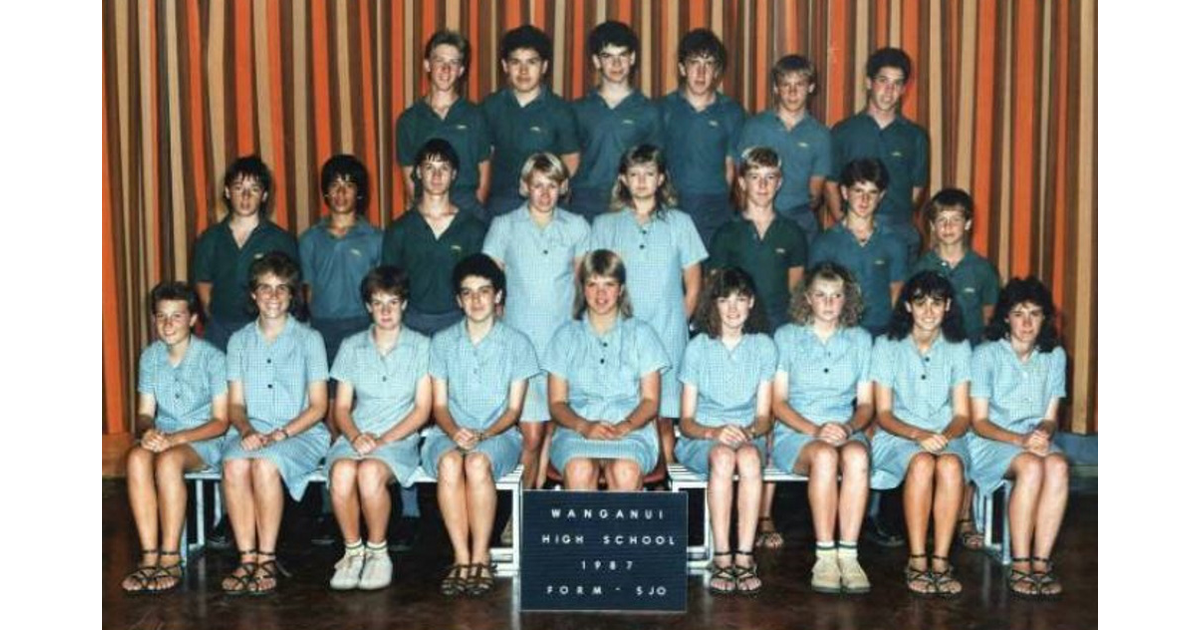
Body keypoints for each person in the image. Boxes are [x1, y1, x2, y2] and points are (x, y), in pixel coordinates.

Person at [420, 254, 539, 597]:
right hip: (449, 431)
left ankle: (480, 557)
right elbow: (439, 404)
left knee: (475, 462)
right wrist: (455, 430)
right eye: (467, 293)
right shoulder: (442, 342)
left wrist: (484, 435)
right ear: (458, 300)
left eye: (484, 291)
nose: (476, 300)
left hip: (498, 435)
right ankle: (460, 558)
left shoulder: (518, 343)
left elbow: (514, 409)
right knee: (449, 461)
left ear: (498, 296)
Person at [220, 252, 330, 595]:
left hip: (301, 432)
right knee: (235, 463)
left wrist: (280, 434)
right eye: (265, 288)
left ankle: (267, 558)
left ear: (292, 295)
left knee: (266, 465)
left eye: (282, 288)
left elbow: (318, 407)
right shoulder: (238, 340)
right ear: (253, 294)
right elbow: (236, 405)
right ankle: (246, 558)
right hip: (253, 429)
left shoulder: (309, 340)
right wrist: (248, 431)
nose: (273, 296)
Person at [298, 154, 394, 548]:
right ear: (324, 192)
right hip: (323, 332)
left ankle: (398, 509)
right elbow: (304, 291)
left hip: (363, 332)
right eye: (334, 185)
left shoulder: (375, 238)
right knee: (330, 418)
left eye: (348, 185)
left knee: (374, 411)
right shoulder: (309, 238)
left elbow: (384, 292)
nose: (341, 193)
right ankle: (329, 505)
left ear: (360, 193)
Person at [589, 145, 707, 463]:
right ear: (623, 180)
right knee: (622, 417)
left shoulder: (681, 223)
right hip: (619, 336)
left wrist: (678, 320)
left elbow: (694, 283)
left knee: (665, 419)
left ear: (661, 179)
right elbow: (594, 283)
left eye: (649, 174)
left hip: (668, 334)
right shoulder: (604, 225)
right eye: (634, 174)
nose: (642, 181)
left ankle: (668, 495)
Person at [482, 153, 590, 490]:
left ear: (563, 188)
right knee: (530, 433)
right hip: (520, 346)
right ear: (523, 187)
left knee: (553, 429)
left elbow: (583, 287)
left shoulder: (577, 227)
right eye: (537, 185)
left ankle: (536, 505)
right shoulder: (504, 225)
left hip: (561, 345)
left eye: (552, 185)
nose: (544, 193)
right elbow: (489, 285)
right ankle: (521, 506)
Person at [325, 266, 432, 591]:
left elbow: (422, 410)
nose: (386, 311)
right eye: (378, 303)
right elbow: (341, 408)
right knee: (342, 472)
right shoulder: (351, 346)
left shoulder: (422, 346)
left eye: (393, 302)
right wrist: (356, 436)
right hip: (356, 435)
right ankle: (353, 552)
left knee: (370, 473)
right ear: (368, 306)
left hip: (398, 439)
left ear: (404, 304)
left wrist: (382, 440)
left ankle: (378, 552)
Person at [121, 282, 232, 594]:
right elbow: (145, 413)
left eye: (177, 316)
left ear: (193, 319)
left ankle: (171, 557)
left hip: (203, 439)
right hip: (166, 435)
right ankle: (149, 555)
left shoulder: (212, 358)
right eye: (161, 317)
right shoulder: (150, 357)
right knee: (136, 457)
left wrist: (175, 439)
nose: (167, 324)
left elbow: (221, 422)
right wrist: (148, 432)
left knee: (169, 461)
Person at [771, 261, 873, 594]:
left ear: (847, 299)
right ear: (808, 299)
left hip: (844, 429)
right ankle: (825, 555)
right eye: (821, 295)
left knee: (857, 455)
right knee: (826, 457)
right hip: (799, 433)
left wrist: (846, 427)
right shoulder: (786, 337)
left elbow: (867, 405)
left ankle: (850, 553)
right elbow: (778, 403)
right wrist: (816, 431)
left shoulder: (860, 340)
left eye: (837, 295)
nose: (829, 303)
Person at [870, 271, 973, 596]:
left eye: (936, 303)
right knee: (922, 464)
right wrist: (919, 435)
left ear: (947, 307)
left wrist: (942, 436)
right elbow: (883, 414)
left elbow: (961, 414)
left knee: (951, 465)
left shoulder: (959, 346)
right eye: (920, 302)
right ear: (908, 307)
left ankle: (940, 560)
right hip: (899, 434)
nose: (929, 311)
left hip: (945, 431)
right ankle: (917, 559)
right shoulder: (886, 345)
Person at [909, 187, 1000, 551]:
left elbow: (992, 323)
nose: (948, 227)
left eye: (955, 220)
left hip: (971, 364)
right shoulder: (922, 267)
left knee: (968, 437)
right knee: (936, 439)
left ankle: (965, 516)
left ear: (968, 224)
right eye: (941, 220)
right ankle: (931, 518)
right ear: (931, 225)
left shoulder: (982, 269)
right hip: (932, 365)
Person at [968, 277, 1069, 598]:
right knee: (1032, 467)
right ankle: (1020, 562)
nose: (1027, 322)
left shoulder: (1055, 355)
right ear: (1005, 317)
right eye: (1019, 313)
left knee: (1058, 466)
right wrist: (1021, 441)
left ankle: (1041, 562)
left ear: (1045, 318)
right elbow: (979, 422)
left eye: (1035, 314)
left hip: (1032, 439)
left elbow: (1050, 419)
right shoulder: (985, 355)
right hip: (991, 440)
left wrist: (1042, 433)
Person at [676, 268, 775, 596]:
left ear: (751, 304)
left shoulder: (763, 346)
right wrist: (714, 432)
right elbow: (686, 422)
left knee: (747, 459)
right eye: (724, 300)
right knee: (722, 457)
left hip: (747, 436)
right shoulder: (698, 348)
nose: (733, 308)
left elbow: (764, 416)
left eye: (741, 299)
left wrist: (747, 432)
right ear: (713, 305)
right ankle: (721, 555)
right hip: (703, 438)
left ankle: (744, 556)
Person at [545, 249, 669, 490]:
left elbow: (651, 401)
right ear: (583, 288)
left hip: (632, 431)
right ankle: (582, 530)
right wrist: (584, 426)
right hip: (577, 431)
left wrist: (625, 426)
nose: (600, 293)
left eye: (609, 284)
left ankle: (622, 530)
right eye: (592, 284)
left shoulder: (642, 334)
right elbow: (557, 404)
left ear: (621, 289)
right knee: (579, 469)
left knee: (625, 471)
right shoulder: (565, 336)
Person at [826, 47, 929, 264]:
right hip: (853, 232)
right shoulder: (843, 131)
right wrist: (847, 222)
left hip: (899, 232)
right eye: (883, 81)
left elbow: (916, 190)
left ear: (904, 89)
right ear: (869, 83)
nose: (889, 90)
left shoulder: (915, 136)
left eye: (897, 83)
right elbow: (831, 183)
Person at [382, 139, 488, 337]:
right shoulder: (399, 229)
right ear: (419, 173)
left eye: (444, 168)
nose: (437, 176)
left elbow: (481, 284)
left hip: (458, 322)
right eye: (430, 167)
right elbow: (389, 287)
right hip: (411, 324)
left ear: (454, 174)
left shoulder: (473, 229)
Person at [192, 155, 298, 352]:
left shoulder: (281, 240)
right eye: (239, 188)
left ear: (265, 195)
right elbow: (203, 286)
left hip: (268, 332)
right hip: (220, 333)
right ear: (227, 192)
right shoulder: (210, 238)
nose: (246, 196)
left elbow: (292, 290)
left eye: (254, 189)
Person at [482, 25, 580, 218]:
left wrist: (547, 191)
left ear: (544, 66)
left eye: (532, 62)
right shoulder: (491, 106)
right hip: (503, 202)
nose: (523, 71)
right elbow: (484, 159)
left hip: (547, 203)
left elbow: (571, 159)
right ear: (505, 66)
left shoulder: (560, 110)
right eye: (516, 62)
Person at [570, 20, 663, 223]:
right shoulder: (577, 109)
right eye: (608, 57)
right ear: (596, 61)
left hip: (629, 202)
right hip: (584, 203)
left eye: (622, 56)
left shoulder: (649, 110)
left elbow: (655, 165)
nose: (616, 64)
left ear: (632, 58)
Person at [659, 28, 745, 245]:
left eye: (708, 64)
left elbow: (731, 167)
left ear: (717, 71)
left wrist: (719, 202)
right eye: (694, 62)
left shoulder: (732, 112)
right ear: (682, 68)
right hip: (671, 208)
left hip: (715, 211)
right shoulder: (663, 109)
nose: (701, 72)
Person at [736, 54, 832, 248]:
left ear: (811, 87)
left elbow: (815, 194)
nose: (792, 92)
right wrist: (753, 216)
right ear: (775, 88)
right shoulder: (754, 127)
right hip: (757, 219)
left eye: (800, 85)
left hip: (801, 222)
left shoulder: (821, 135)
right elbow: (741, 183)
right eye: (786, 85)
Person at [395, 30, 491, 224]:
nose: (446, 69)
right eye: (439, 61)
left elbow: (484, 176)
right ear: (427, 65)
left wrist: (468, 218)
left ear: (461, 70)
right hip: (427, 210)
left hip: (468, 210)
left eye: (453, 63)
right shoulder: (408, 120)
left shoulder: (476, 116)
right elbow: (410, 181)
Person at [708, 146, 808, 332]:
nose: (763, 185)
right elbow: (716, 291)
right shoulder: (725, 234)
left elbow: (795, 291)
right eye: (755, 177)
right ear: (742, 183)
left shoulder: (793, 233)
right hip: (739, 326)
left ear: (779, 183)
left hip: (780, 326)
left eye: (770, 177)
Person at [809, 158, 908, 337]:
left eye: (872, 193)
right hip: (839, 331)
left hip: (881, 331)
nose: (865, 199)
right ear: (845, 192)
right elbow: (814, 295)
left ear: (881, 196)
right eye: (858, 191)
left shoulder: (894, 242)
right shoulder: (825, 242)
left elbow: (897, 293)